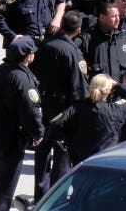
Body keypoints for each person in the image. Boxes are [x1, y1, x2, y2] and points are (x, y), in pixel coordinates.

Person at [0, 36, 44, 211]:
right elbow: (30, 111)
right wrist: (38, 132)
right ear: (28, 56)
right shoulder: (24, 79)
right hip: (13, 137)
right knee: (6, 185)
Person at [31, 12, 89, 201]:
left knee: (42, 152)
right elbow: (79, 86)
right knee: (62, 154)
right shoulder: (73, 51)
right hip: (62, 109)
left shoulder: (44, 45)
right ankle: (55, 197)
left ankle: (40, 194)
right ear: (78, 31)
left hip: (43, 104)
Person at [48, 74, 126, 166]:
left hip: (81, 160)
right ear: (109, 90)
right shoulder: (115, 109)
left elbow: (55, 123)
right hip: (107, 158)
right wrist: (117, 85)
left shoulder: (77, 108)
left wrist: (68, 142)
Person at [79, 2, 126, 80]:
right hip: (99, 89)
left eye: (118, 16)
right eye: (113, 16)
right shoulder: (88, 38)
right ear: (102, 17)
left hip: (121, 88)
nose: (118, 19)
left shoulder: (123, 36)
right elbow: (80, 67)